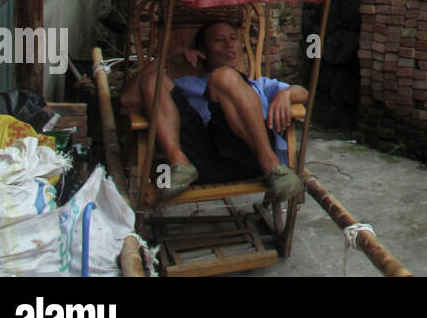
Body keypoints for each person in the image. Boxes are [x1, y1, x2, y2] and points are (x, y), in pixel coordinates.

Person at [122, 19, 307, 200]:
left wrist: (286, 95)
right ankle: (178, 161)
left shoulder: (258, 85)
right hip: (199, 164)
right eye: (219, 40)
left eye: (233, 39)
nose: (229, 45)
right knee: (153, 80)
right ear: (203, 52)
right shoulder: (187, 84)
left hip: (250, 160)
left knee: (224, 76)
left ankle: (272, 165)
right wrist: (167, 59)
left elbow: (303, 92)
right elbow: (128, 98)